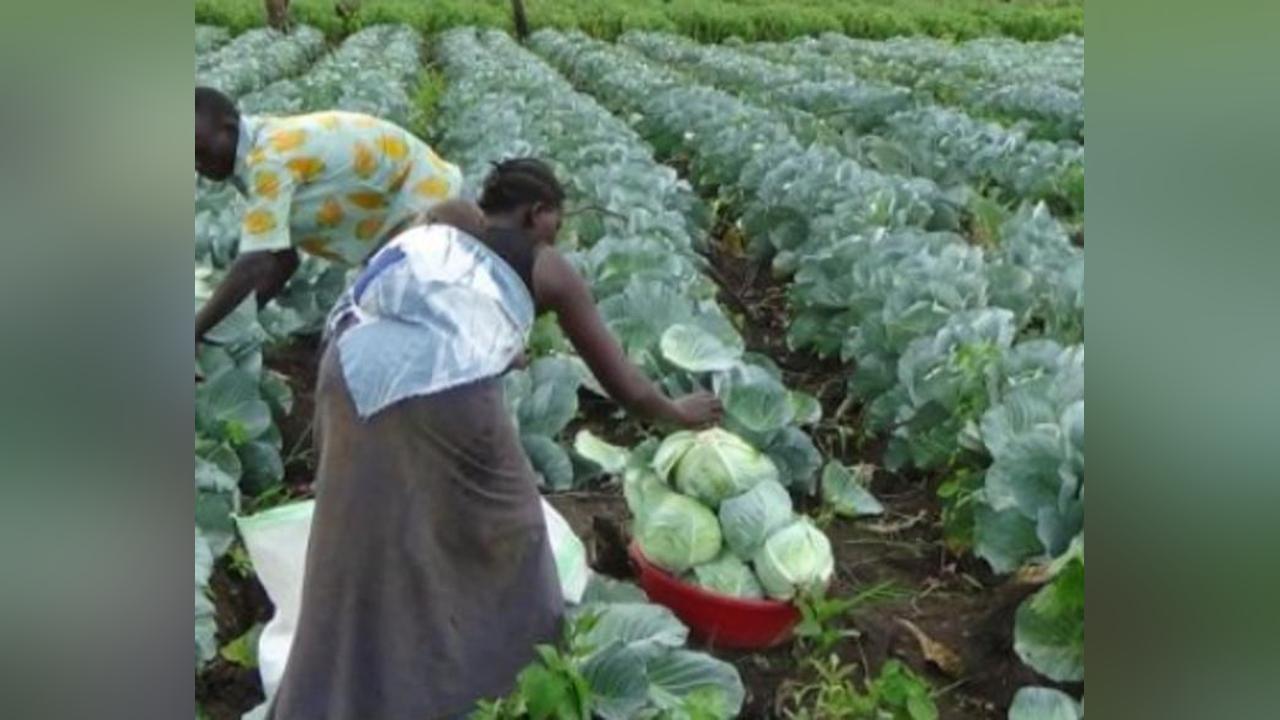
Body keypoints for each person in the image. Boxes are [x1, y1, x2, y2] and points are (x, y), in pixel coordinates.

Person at [266, 158, 722, 720]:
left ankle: (336, 697)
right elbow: (622, 384)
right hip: (442, 396)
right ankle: (498, 691)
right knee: (513, 537)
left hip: (345, 371)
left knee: (366, 536)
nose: (560, 234)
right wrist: (678, 411)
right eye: (557, 219)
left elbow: (409, 306)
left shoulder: (436, 227)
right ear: (536, 213)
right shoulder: (546, 267)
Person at [194, 86, 463, 344]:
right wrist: (224, 329)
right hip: (393, 214)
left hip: (424, 202)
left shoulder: (270, 159)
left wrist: (195, 330)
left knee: (402, 319)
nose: (197, 164)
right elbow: (282, 259)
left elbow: (256, 262)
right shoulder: (245, 156)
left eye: (199, 150)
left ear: (228, 128)